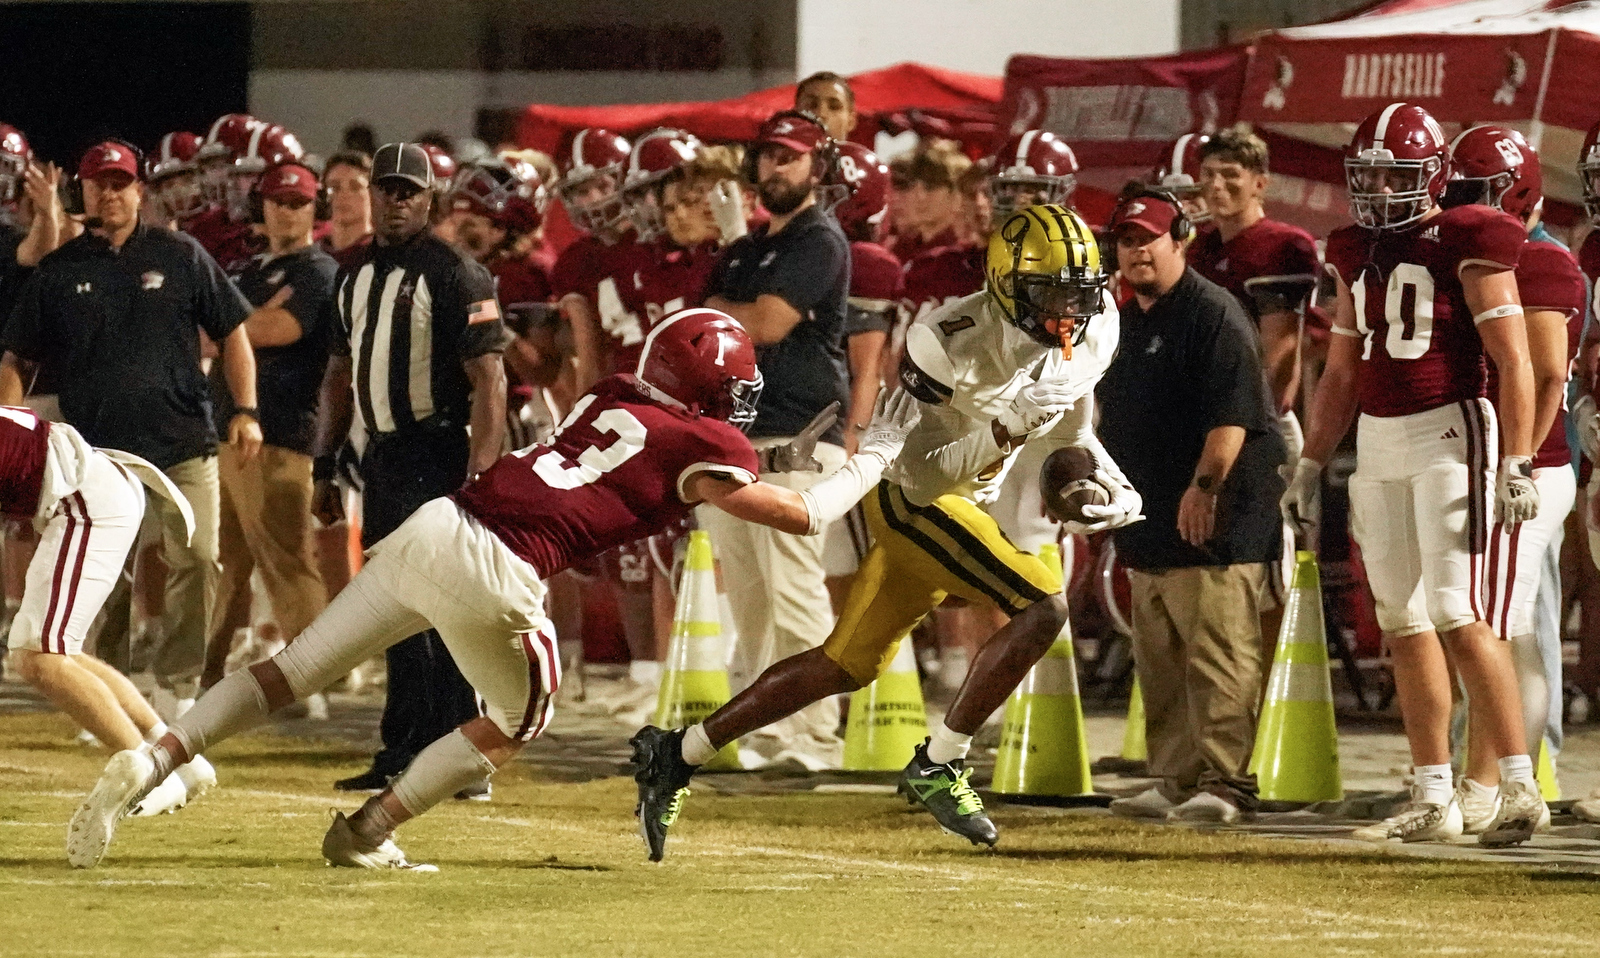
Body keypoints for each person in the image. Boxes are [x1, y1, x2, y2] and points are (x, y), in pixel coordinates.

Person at [68, 307, 920, 870]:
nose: (738, 407)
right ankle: (368, 831)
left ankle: (153, 758)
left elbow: (653, 461)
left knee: (292, 669)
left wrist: (761, 457)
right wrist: (876, 455)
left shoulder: (617, 394)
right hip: (500, 566)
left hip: (436, 526)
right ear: (704, 390)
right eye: (730, 393)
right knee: (519, 717)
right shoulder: (709, 448)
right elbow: (804, 517)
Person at [633, 204, 1141, 859]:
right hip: (915, 496)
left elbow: (1072, 435)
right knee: (1042, 607)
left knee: (841, 664)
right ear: (1007, 285)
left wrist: (1083, 483)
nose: (1070, 311)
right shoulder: (948, 338)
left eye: (1081, 293)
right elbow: (923, 472)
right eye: (1052, 294)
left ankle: (678, 752)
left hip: (962, 501)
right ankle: (942, 762)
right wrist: (1001, 431)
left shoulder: (1095, 325)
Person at [1283, 102, 1547, 846]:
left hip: (1449, 429)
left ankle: (1521, 787)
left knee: (1460, 613)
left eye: (1391, 174)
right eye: (1364, 173)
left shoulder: (1469, 234)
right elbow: (1339, 372)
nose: (1374, 189)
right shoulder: (1349, 246)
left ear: (1433, 175)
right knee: (1401, 620)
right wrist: (1310, 460)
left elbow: (1514, 360)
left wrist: (1519, 458)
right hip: (1379, 440)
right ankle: (1434, 793)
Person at [1, 140, 262, 717]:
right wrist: (10, 422)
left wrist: (245, 410)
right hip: (98, 454)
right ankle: (110, 695)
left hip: (183, 441)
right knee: (107, 578)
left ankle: (178, 686)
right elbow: (18, 358)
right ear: (84, 192)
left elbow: (234, 333)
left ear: (139, 189)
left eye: (121, 182)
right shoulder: (59, 270)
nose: (111, 193)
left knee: (197, 558)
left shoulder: (182, 254)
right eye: (100, 183)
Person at [311, 142, 507, 795]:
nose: (395, 201)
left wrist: (481, 472)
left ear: (431, 199)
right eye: (386, 189)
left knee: (446, 607)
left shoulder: (456, 273)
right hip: (385, 455)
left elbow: (490, 382)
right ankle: (403, 749)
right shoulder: (353, 273)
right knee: (393, 606)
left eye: (408, 191)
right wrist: (325, 463)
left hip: (442, 451)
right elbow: (339, 375)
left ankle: (462, 757)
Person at [1096, 188, 1286, 824]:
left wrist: (1204, 489)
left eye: (1148, 237)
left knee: (1217, 650)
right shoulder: (1128, 317)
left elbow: (1233, 414)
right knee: (1160, 655)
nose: (1137, 250)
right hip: (1147, 513)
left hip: (1212, 513)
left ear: (1182, 237)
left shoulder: (1213, 312)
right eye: (1126, 239)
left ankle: (1228, 782)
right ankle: (1174, 777)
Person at [696, 110, 851, 768]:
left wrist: (727, 305)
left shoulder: (820, 240)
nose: (774, 167)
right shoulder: (750, 247)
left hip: (800, 439)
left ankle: (814, 733)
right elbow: (710, 324)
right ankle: (759, 727)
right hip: (740, 439)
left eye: (789, 157)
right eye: (767, 156)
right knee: (753, 598)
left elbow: (759, 323)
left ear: (817, 168)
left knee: (794, 591)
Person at [1445, 126, 1584, 832]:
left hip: (1537, 464)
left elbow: (1550, 371)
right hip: (1505, 458)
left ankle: (1497, 782)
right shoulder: (1505, 250)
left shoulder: (1544, 262)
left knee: (1508, 627)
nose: (1465, 203)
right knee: (1498, 623)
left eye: (1477, 189)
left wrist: (1520, 459)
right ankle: (1486, 779)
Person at [2, 405, 211, 814]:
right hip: (93, 493)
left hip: (85, 502)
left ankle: (152, 775)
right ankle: (174, 754)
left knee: (40, 656)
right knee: (57, 652)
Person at [201, 163, 338, 714]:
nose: (287, 210)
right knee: (223, 563)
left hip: (279, 429)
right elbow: (234, 329)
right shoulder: (249, 266)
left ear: (315, 209)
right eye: (278, 200)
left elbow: (274, 330)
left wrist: (227, 325)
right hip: (227, 429)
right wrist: (234, 325)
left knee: (285, 562)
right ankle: (205, 677)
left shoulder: (319, 271)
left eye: (299, 201)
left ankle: (315, 680)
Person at [320, 150, 373, 270]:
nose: (344, 195)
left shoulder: (383, 253)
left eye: (355, 187)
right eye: (335, 187)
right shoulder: (315, 253)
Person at [795, 71, 857, 142]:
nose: (821, 114)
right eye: (811, 104)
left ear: (851, 121)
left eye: (834, 107)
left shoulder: (864, 153)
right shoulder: (780, 152)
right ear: (795, 115)